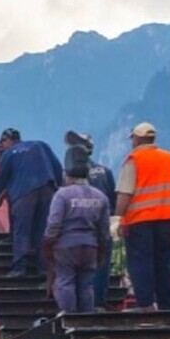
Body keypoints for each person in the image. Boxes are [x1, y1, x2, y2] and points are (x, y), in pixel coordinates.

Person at [114, 122, 170, 311]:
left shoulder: (134, 159)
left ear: (137, 139)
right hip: (165, 221)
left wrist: (117, 218)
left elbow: (125, 193)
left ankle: (145, 304)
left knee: (140, 262)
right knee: (163, 263)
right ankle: (167, 305)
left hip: (140, 221)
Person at [0, 128, 64, 277]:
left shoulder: (8, 155)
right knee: (41, 230)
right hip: (47, 190)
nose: (1, 146)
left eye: (2, 142)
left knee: (21, 231)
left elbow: (1, 180)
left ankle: (19, 268)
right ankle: (43, 268)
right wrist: (58, 188)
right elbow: (57, 167)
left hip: (24, 195)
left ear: (8, 140)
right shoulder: (40, 145)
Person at [43, 145, 111, 313]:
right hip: (91, 247)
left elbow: (54, 224)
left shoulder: (62, 195)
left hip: (66, 247)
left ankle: (70, 318)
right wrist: (101, 250)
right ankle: (86, 319)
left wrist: (48, 243)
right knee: (86, 285)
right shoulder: (100, 196)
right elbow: (104, 230)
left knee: (65, 282)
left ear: (67, 173)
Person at [65, 130, 118, 308]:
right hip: (102, 226)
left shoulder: (70, 176)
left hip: (79, 228)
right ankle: (98, 303)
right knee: (101, 266)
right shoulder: (105, 171)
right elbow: (114, 200)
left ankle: (80, 305)